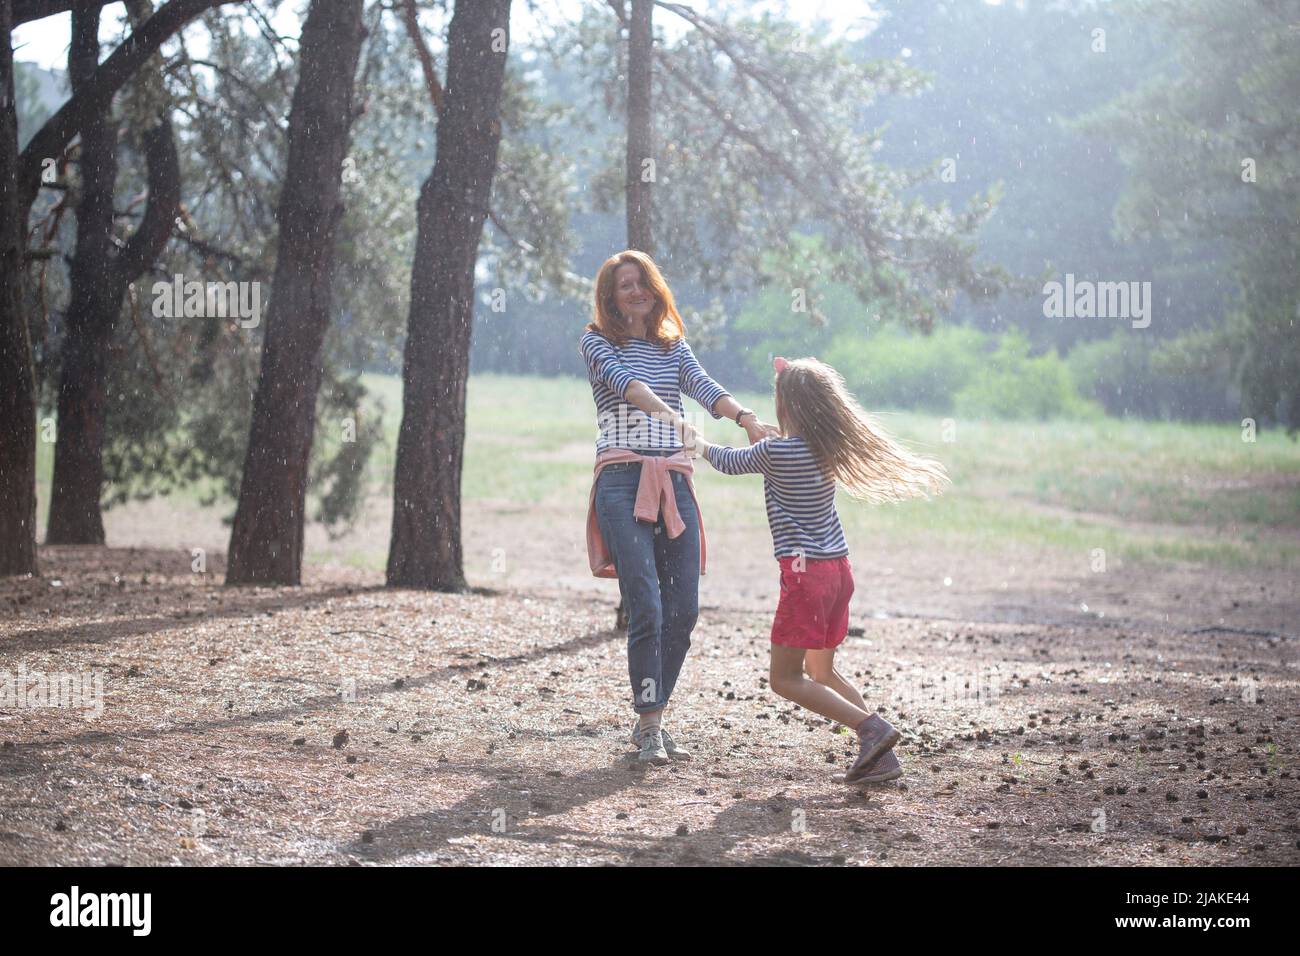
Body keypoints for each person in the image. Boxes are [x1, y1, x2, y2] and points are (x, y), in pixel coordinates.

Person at [696, 356, 949, 783]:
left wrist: (694, 441)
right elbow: (780, 453)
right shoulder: (827, 448)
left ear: (786, 407)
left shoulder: (775, 452)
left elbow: (726, 461)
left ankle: (872, 729)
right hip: (838, 572)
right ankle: (881, 755)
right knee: (822, 672)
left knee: (785, 680)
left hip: (806, 578)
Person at [582, 250, 779, 765]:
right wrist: (674, 419)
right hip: (623, 481)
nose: (635, 291)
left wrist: (747, 419)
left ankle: (654, 711)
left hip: (675, 481)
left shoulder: (673, 345)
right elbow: (628, 386)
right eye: (624, 284)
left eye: (642, 281)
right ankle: (650, 727)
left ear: (655, 289)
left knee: (684, 608)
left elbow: (704, 386)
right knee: (645, 601)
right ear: (610, 296)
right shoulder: (597, 341)